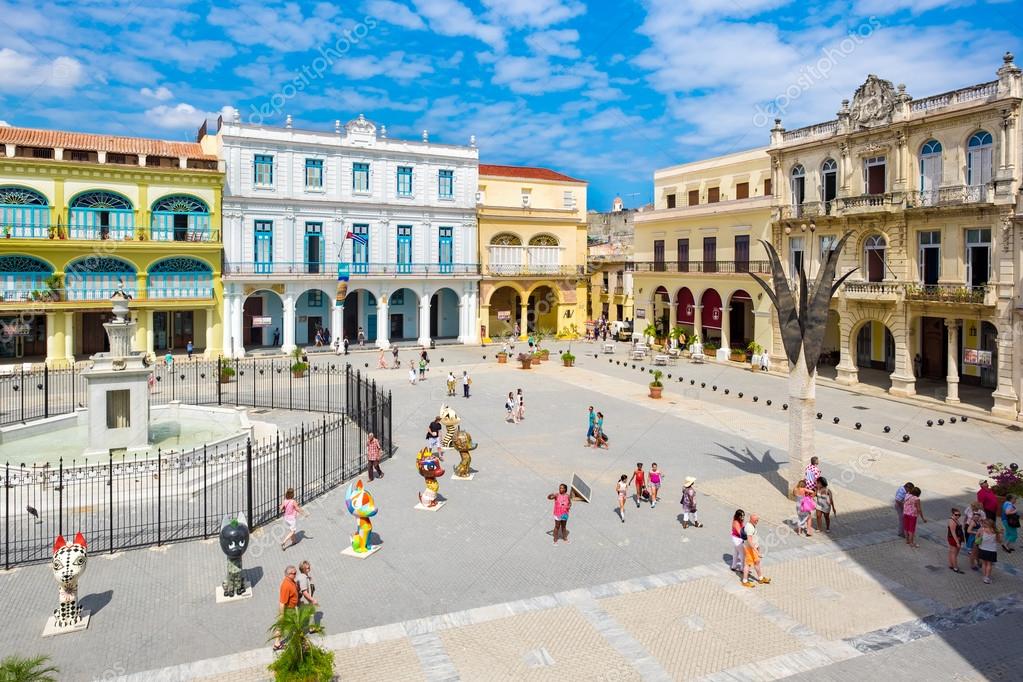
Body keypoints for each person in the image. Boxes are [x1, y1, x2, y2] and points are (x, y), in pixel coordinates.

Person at [273, 565, 300, 651]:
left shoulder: (291, 581)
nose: (296, 575)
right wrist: (282, 615)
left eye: (296, 573)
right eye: (294, 573)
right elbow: (282, 603)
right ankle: (278, 643)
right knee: (282, 625)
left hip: (292, 609)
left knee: (285, 626)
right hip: (288, 610)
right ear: (289, 574)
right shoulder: (286, 585)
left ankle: (277, 643)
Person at [741, 514, 771, 587]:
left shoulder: (751, 525)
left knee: (757, 562)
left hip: (753, 548)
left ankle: (760, 578)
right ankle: (744, 581)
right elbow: (750, 541)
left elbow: (754, 539)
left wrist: (757, 547)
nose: (757, 521)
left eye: (757, 520)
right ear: (751, 519)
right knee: (747, 564)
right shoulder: (749, 528)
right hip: (749, 549)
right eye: (755, 520)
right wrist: (757, 551)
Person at [977, 518, 1002, 584]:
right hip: (991, 550)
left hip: (982, 549)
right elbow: (999, 541)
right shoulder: (996, 532)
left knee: (984, 563)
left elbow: (977, 537)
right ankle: (987, 577)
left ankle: (984, 576)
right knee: (989, 564)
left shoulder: (982, 530)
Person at [964, 500, 983, 570]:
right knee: (974, 552)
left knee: (977, 551)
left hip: (978, 538)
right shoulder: (973, 522)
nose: (977, 517)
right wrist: (976, 532)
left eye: (978, 517)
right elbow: (968, 531)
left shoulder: (979, 522)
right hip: (974, 538)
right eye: (975, 516)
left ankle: (978, 562)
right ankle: (973, 564)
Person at [948, 508, 965, 573]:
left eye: (959, 515)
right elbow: (953, 533)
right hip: (954, 539)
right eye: (956, 514)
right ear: (953, 514)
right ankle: (955, 567)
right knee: (954, 553)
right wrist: (957, 542)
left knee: (952, 552)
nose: (958, 516)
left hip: (957, 538)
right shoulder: (952, 521)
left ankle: (951, 564)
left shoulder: (955, 519)